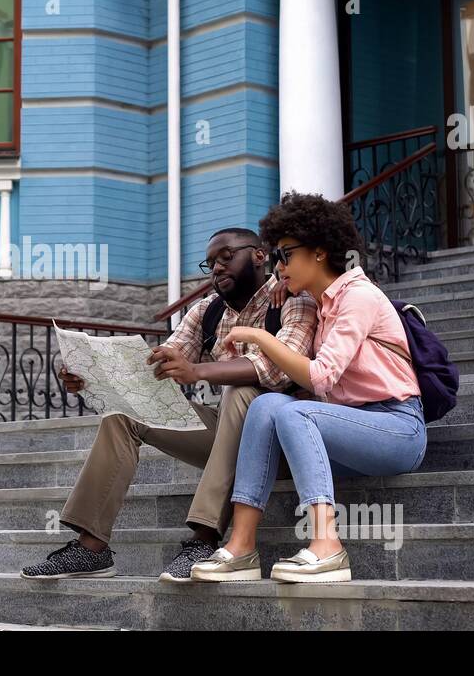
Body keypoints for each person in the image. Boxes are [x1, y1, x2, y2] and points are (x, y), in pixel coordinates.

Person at [20, 228, 317, 582]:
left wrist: (198, 370)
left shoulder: (294, 298)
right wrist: (88, 378)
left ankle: (204, 538)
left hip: (286, 446)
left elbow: (275, 369)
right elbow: (157, 372)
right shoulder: (207, 310)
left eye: (226, 257)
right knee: (124, 414)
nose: (217, 269)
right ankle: (90, 547)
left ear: (258, 255)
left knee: (243, 393)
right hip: (230, 437)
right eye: (210, 264)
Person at [190, 193, 426, 584]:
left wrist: (259, 337)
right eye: (277, 256)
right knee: (266, 405)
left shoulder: (359, 296)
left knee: (293, 411)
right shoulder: (318, 303)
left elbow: (320, 377)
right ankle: (242, 546)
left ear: (319, 251)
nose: (279, 266)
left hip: (397, 428)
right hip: (348, 427)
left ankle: (328, 546)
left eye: (286, 255)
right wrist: (289, 287)